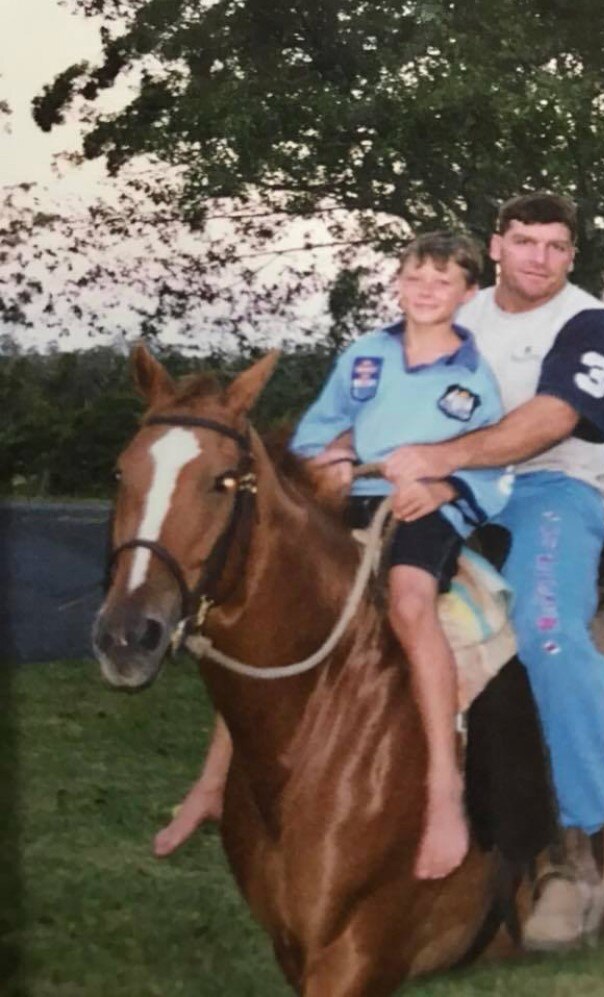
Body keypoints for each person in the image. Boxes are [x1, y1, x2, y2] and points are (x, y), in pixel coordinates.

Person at [155, 231, 513, 881]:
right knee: (269, 608)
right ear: (399, 282)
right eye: (416, 275)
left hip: (426, 509)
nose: (427, 289)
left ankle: (442, 793)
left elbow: (492, 464)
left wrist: (438, 483)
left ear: (468, 294)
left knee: (409, 601)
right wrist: (339, 453)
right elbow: (319, 429)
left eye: (444, 280)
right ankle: (211, 785)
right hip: (354, 499)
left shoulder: (473, 379)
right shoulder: (367, 355)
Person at [384, 192, 604, 949]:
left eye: (557, 246)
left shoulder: (591, 325)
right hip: (456, 486)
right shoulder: (456, 312)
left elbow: (552, 419)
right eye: (525, 241)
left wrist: (443, 456)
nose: (540, 258)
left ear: (572, 256)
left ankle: (580, 847)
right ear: (495, 246)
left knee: (547, 632)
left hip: (551, 489)